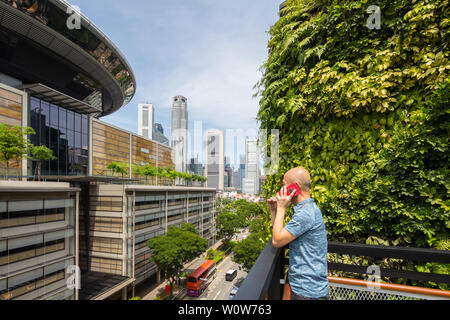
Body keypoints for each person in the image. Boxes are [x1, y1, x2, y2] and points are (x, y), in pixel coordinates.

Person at [267, 167, 329, 300]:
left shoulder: (306, 214)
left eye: (284, 185)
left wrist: (282, 208)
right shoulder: (306, 210)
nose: (282, 189)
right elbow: (280, 236)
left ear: (295, 187)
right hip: (305, 288)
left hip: (308, 292)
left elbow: (277, 242)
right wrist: (275, 211)